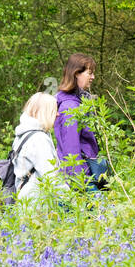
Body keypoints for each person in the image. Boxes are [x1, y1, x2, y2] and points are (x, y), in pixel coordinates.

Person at [53, 53, 110, 192]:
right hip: (82, 179)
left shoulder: (78, 102)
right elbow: (70, 151)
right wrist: (82, 184)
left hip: (88, 174)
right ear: (76, 73)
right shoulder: (70, 107)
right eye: (89, 73)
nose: (93, 77)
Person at [12, 92, 63, 204]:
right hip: (37, 203)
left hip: (24, 197)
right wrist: (74, 202)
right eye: (54, 110)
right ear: (45, 113)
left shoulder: (23, 134)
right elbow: (51, 178)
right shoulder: (39, 139)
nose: (58, 114)